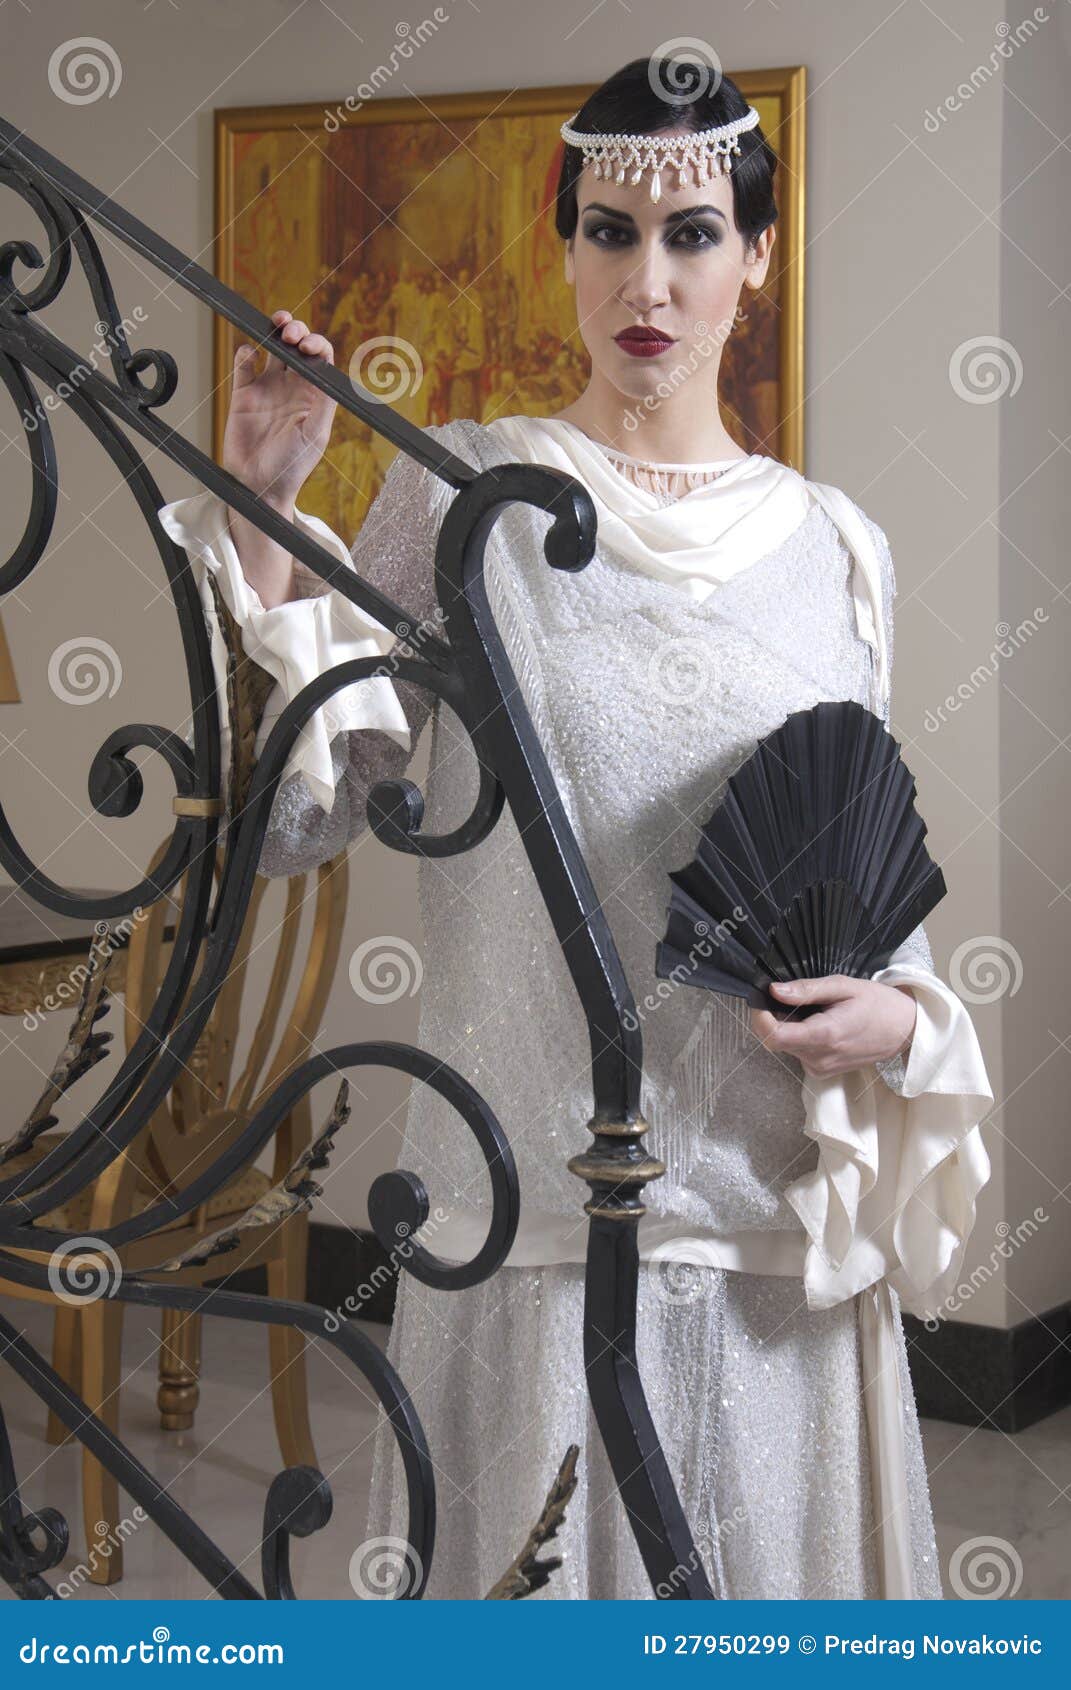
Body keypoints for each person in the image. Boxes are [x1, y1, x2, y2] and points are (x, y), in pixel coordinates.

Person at [157, 57, 993, 1600]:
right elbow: (294, 821)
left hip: (780, 1243)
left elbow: (869, 880)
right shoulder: (469, 498)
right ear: (565, 248)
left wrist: (903, 1020)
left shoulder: (839, 551)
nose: (646, 282)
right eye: (610, 231)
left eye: (692, 235)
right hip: (536, 1218)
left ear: (757, 254)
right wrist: (266, 528)